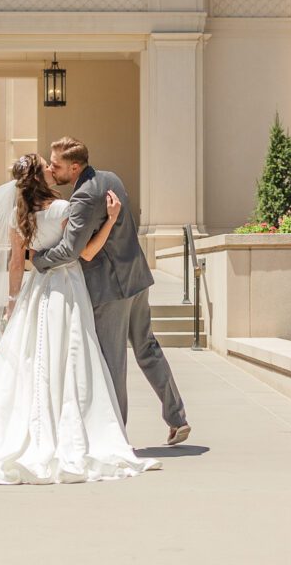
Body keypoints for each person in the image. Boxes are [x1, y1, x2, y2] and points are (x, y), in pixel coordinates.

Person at [0, 152, 155, 485]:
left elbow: (15, 263)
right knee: (71, 357)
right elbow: (85, 252)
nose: (53, 170)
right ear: (41, 177)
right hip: (66, 288)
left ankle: (27, 429)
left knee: (32, 358)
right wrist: (110, 220)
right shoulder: (64, 210)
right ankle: (69, 432)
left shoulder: (17, 216)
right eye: (47, 166)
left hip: (35, 292)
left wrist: (12, 301)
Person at [33, 136, 190, 446]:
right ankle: (177, 417)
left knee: (112, 360)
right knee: (147, 348)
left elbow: (71, 250)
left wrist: (37, 260)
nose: (52, 169)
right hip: (136, 278)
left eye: (57, 165)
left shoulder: (83, 198)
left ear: (74, 166)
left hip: (110, 288)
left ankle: (116, 435)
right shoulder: (111, 178)